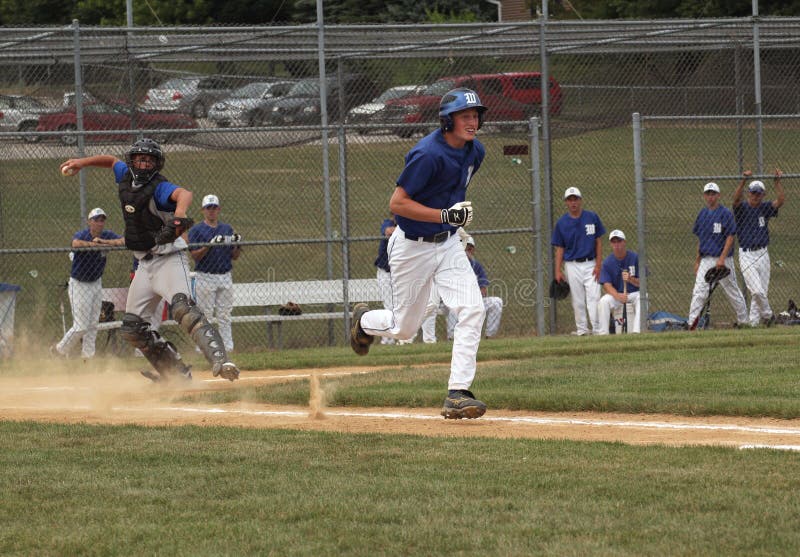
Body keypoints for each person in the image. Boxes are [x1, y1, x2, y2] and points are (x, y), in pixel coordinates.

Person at [349, 87, 488, 420]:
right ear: (446, 121)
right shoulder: (427, 154)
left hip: (449, 244)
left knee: (473, 309)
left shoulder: (475, 152)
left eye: (475, 116)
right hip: (412, 247)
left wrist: (453, 222)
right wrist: (444, 215)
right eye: (464, 116)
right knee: (405, 328)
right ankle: (365, 322)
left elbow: (452, 191)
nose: (472, 122)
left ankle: (458, 392)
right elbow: (397, 205)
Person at [59, 138, 240, 382]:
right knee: (133, 328)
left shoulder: (158, 187)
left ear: (157, 164)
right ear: (132, 161)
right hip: (144, 265)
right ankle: (175, 374)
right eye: (140, 159)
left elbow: (184, 194)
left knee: (182, 308)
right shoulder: (125, 175)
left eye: (149, 160)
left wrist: (179, 214)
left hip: (168, 259)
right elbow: (111, 161)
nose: (144, 164)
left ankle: (221, 359)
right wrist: (82, 162)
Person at [51, 207, 124, 358]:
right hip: (79, 284)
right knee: (81, 326)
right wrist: (94, 245)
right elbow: (75, 243)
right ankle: (58, 351)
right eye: (96, 220)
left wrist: (104, 242)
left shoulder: (106, 235)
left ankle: (88, 358)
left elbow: (124, 240)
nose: (100, 223)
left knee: (92, 325)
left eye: (102, 220)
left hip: (96, 282)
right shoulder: (83, 234)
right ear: (89, 222)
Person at [688, 182, 748, 329]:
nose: (710, 197)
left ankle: (744, 322)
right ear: (704, 196)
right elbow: (700, 240)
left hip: (724, 259)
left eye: (713, 194)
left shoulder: (725, 213)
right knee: (699, 291)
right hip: (706, 259)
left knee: (732, 291)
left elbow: (730, 237)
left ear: (718, 195)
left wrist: (722, 258)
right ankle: (691, 325)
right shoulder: (702, 214)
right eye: (708, 194)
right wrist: (697, 261)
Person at [188, 194, 242, 352]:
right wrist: (209, 245)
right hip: (206, 275)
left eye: (214, 208)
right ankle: (204, 347)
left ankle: (228, 347)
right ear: (203, 210)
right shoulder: (197, 230)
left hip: (225, 275)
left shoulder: (226, 228)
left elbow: (235, 256)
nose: (211, 211)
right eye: (208, 208)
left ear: (218, 209)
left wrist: (237, 244)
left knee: (225, 314)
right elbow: (195, 255)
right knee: (205, 314)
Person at [733, 169, 785, 327]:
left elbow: (780, 201)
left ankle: (754, 325)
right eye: (753, 193)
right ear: (749, 193)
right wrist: (743, 181)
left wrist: (777, 183)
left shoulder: (765, 208)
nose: (755, 196)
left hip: (763, 253)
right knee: (756, 290)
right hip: (747, 254)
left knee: (761, 292)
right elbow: (735, 200)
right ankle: (769, 317)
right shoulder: (742, 208)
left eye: (758, 193)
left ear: (763, 194)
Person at [552, 187, 605, 336]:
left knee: (594, 298)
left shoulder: (592, 217)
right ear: (566, 203)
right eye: (570, 199)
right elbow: (560, 249)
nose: (573, 202)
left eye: (575, 199)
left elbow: (598, 242)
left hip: (591, 263)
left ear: (580, 201)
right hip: (572, 265)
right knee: (578, 300)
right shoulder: (562, 223)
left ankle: (597, 329)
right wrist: (557, 270)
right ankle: (582, 330)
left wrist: (599, 265)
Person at [445, 235, 503, 340]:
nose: (468, 250)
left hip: (472, 301)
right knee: (455, 306)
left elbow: (483, 289)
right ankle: (452, 338)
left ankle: (490, 337)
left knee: (496, 302)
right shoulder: (449, 265)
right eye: (466, 248)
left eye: (470, 248)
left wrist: (479, 292)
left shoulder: (476, 266)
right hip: (452, 301)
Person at [597, 229, 640, 335]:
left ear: (624, 242)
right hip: (617, 295)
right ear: (611, 244)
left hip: (633, 293)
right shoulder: (607, 262)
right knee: (604, 301)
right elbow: (607, 285)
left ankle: (637, 331)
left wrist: (630, 279)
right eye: (614, 242)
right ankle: (603, 334)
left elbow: (642, 283)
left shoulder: (635, 257)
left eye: (619, 241)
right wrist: (618, 296)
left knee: (643, 298)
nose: (617, 244)